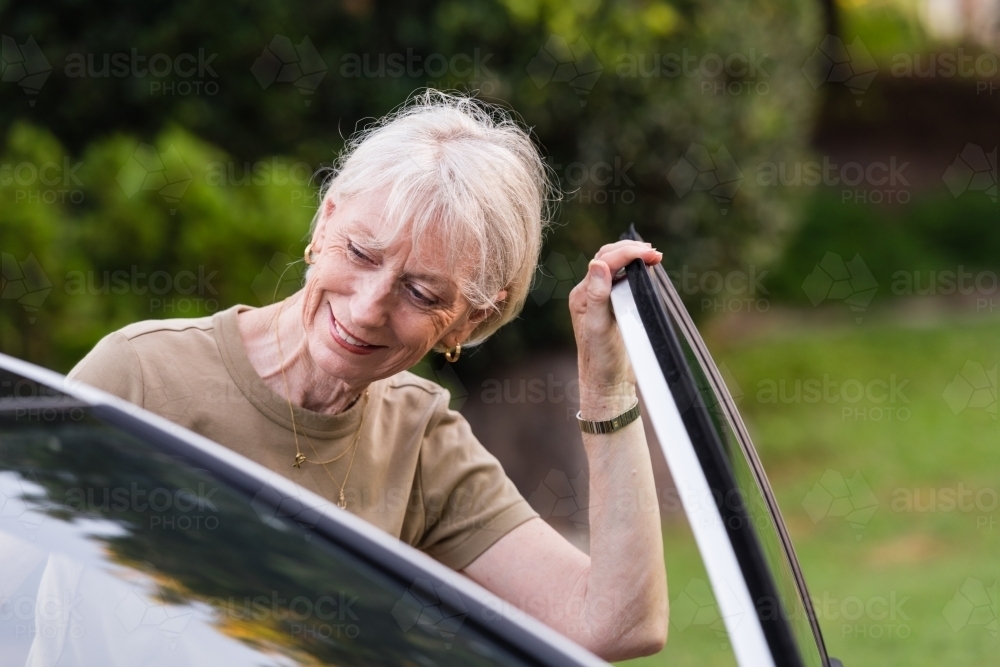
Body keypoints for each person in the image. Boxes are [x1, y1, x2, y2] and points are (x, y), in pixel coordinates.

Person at [69, 90, 667, 661]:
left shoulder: (420, 439)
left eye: (420, 291)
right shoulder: (138, 377)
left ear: (470, 320)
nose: (367, 308)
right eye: (360, 253)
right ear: (325, 224)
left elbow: (616, 623)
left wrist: (605, 378)